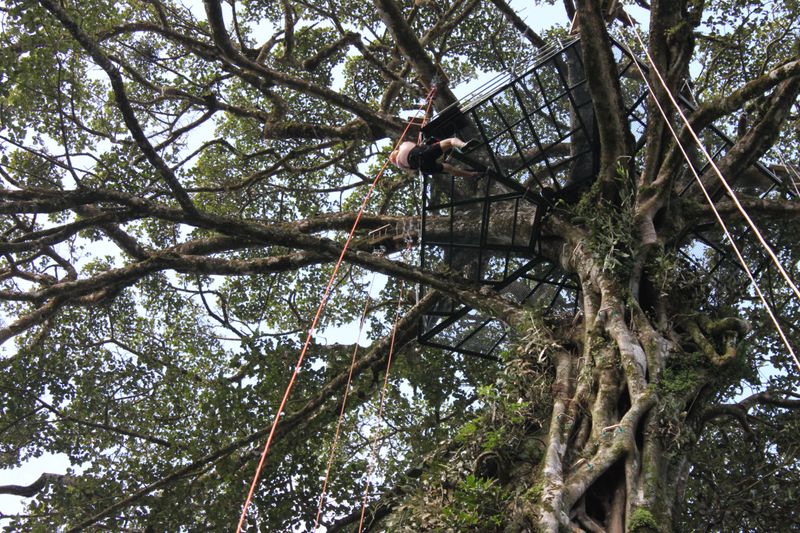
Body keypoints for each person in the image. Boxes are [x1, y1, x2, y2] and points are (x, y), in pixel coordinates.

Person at [389, 137, 478, 177]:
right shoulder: (403, 145)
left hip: (424, 167)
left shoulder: (400, 164)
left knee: (450, 169)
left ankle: (472, 174)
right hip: (424, 153)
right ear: (396, 152)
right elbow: (417, 145)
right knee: (451, 141)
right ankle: (463, 145)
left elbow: (413, 169)